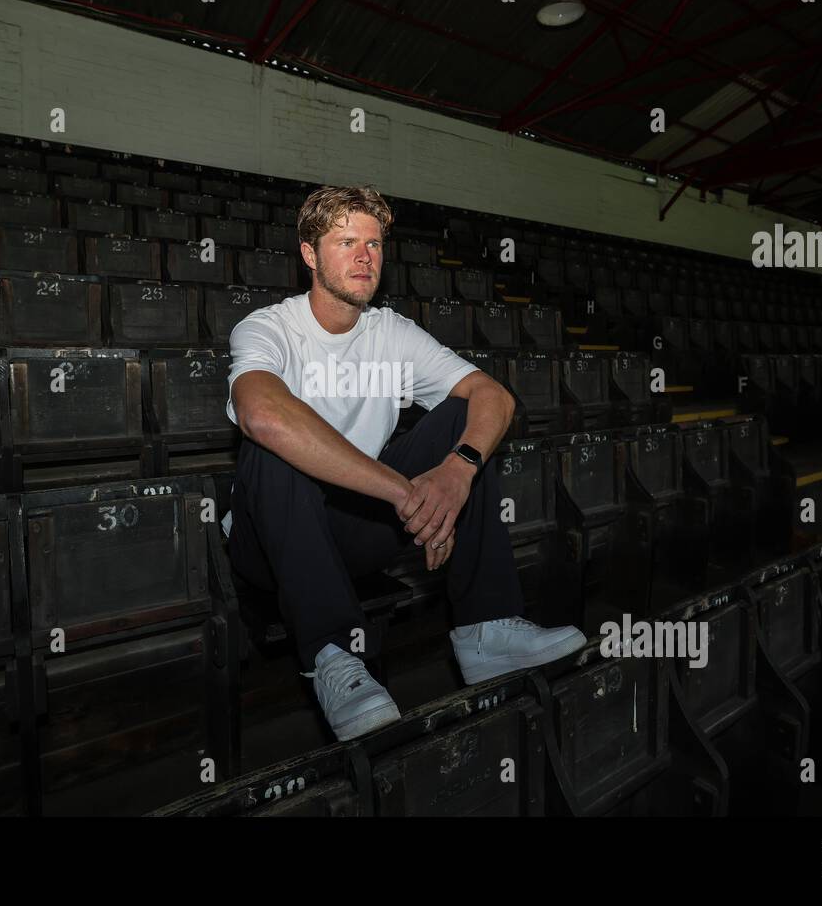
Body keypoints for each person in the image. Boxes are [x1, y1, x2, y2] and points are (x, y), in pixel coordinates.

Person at [223, 185, 585, 741]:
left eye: (374, 243)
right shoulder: (269, 328)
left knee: (462, 417)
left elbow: (497, 398)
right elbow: (261, 416)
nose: (364, 256)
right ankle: (334, 657)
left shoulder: (390, 332)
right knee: (273, 450)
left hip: (352, 528)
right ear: (309, 254)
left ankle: (485, 630)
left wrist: (456, 470)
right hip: (269, 541)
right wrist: (402, 490)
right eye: (346, 241)